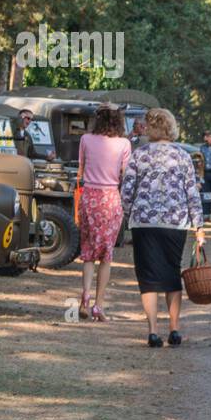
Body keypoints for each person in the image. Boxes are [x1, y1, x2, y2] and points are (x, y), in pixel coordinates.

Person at [120, 108, 204, 347]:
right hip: (174, 222)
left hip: (144, 222)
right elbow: (191, 193)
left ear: (150, 128)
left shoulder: (139, 155)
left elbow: (127, 192)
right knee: (171, 273)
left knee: (147, 276)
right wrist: (199, 226)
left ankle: (153, 332)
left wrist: (127, 215)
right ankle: (175, 329)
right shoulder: (183, 156)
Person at [76, 103, 131, 320]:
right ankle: (99, 304)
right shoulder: (124, 144)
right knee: (106, 255)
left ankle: (85, 297)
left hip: (89, 196)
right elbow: (125, 174)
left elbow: (81, 170)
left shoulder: (85, 140)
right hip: (110, 199)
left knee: (88, 252)